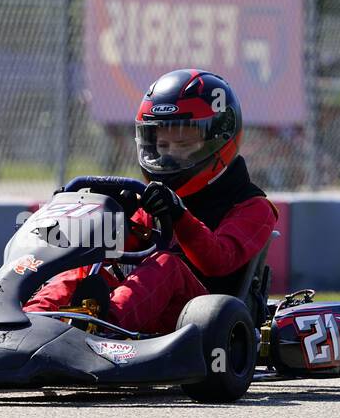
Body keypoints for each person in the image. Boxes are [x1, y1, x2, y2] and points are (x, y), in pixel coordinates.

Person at [24, 69, 278, 334]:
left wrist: (179, 215)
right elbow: (121, 250)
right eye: (163, 146)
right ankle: (30, 319)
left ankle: (102, 328)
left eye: (182, 144)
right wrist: (109, 221)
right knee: (87, 267)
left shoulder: (253, 206)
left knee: (167, 264)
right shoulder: (156, 199)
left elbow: (217, 262)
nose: (169, 157)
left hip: (206, 320)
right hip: (150, 310)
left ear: (217, 140)